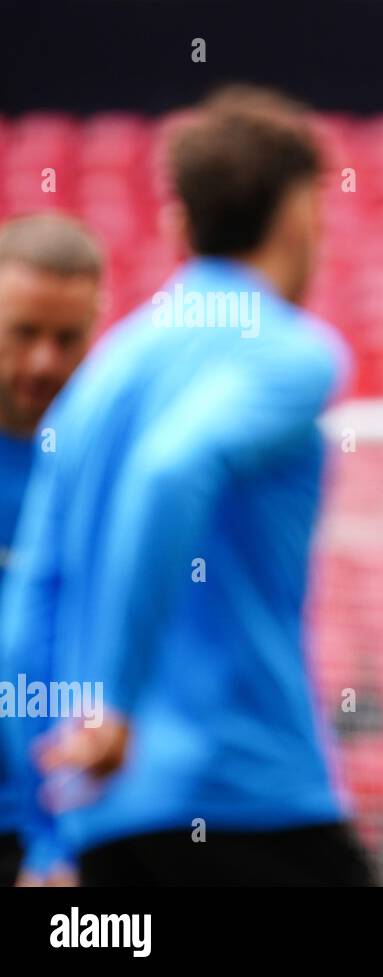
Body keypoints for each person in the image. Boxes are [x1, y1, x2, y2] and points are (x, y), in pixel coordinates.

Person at [0, 86, 372, 885]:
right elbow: (175, 469)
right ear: (300, 212)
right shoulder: (291, 351)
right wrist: (121, 704)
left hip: (106, 823)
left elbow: (32, 604)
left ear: (181, 222)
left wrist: (49, 825)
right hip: (251, 802)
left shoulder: (102, 378)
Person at [0, 213, 102, 886]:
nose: (45, 360)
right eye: (23, 333)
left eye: (66, 338)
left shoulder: (109, 467)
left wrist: (56, 843)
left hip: (78, 830)